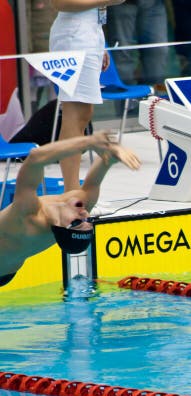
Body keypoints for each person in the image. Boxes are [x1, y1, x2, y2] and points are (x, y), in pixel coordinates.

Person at [0, 132, 141, 287]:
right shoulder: (79, 208)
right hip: (8, 265)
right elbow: (96, 178)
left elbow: (35, 157)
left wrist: (89, 142)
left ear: (59, 224)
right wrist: (112, 153)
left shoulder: (28, 217)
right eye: (88, 220)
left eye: (77, 222)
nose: (84, 213)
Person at [49, 0, 127, 191]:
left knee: (82, 116)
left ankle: (74, 192)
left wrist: (100, 46)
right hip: (75, 38)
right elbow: (60, 3)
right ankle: (72, 194)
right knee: (74, 116)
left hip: (90, 33)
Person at [105, 0, 168, 86]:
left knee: (159, 51)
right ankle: (125, 96)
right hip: (121, 4)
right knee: (121, 53)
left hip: (154, 3)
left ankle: (156, 95)